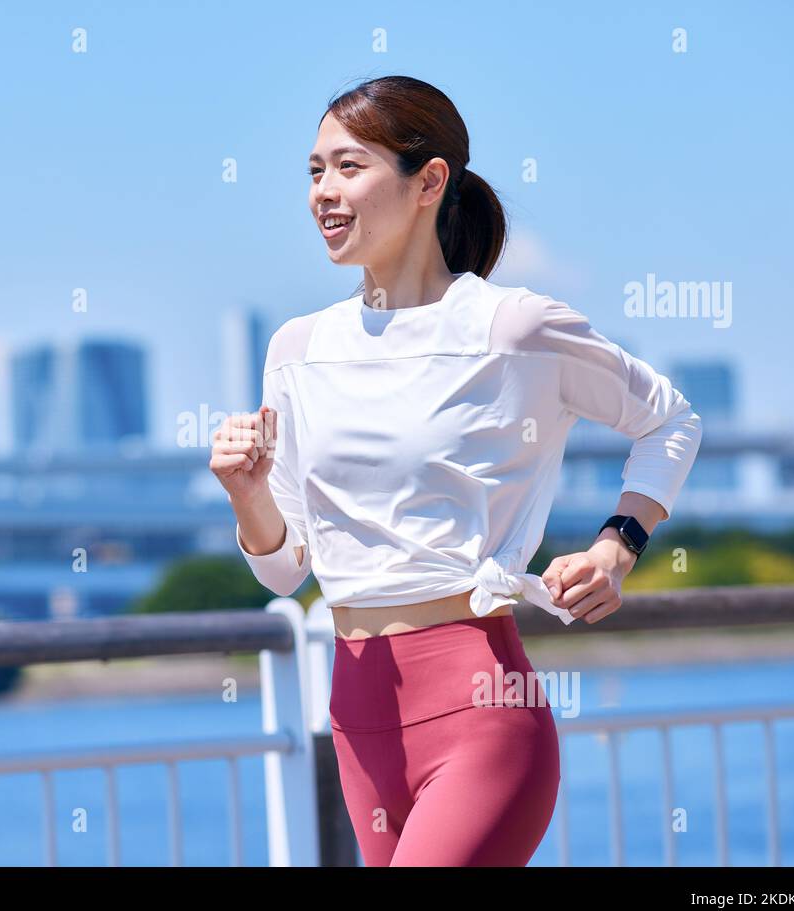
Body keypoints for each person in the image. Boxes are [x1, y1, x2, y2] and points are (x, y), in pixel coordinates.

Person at [208, 75, 702, 866]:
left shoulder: (512, 328)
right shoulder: (298, 350)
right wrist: (248, 495)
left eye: (348, 167)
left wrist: (618, 543)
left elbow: (669, 419)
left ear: (429, 181)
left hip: (481, 711)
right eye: (314, 171)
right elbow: (285, 570)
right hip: (357, 718)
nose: (323, 191)